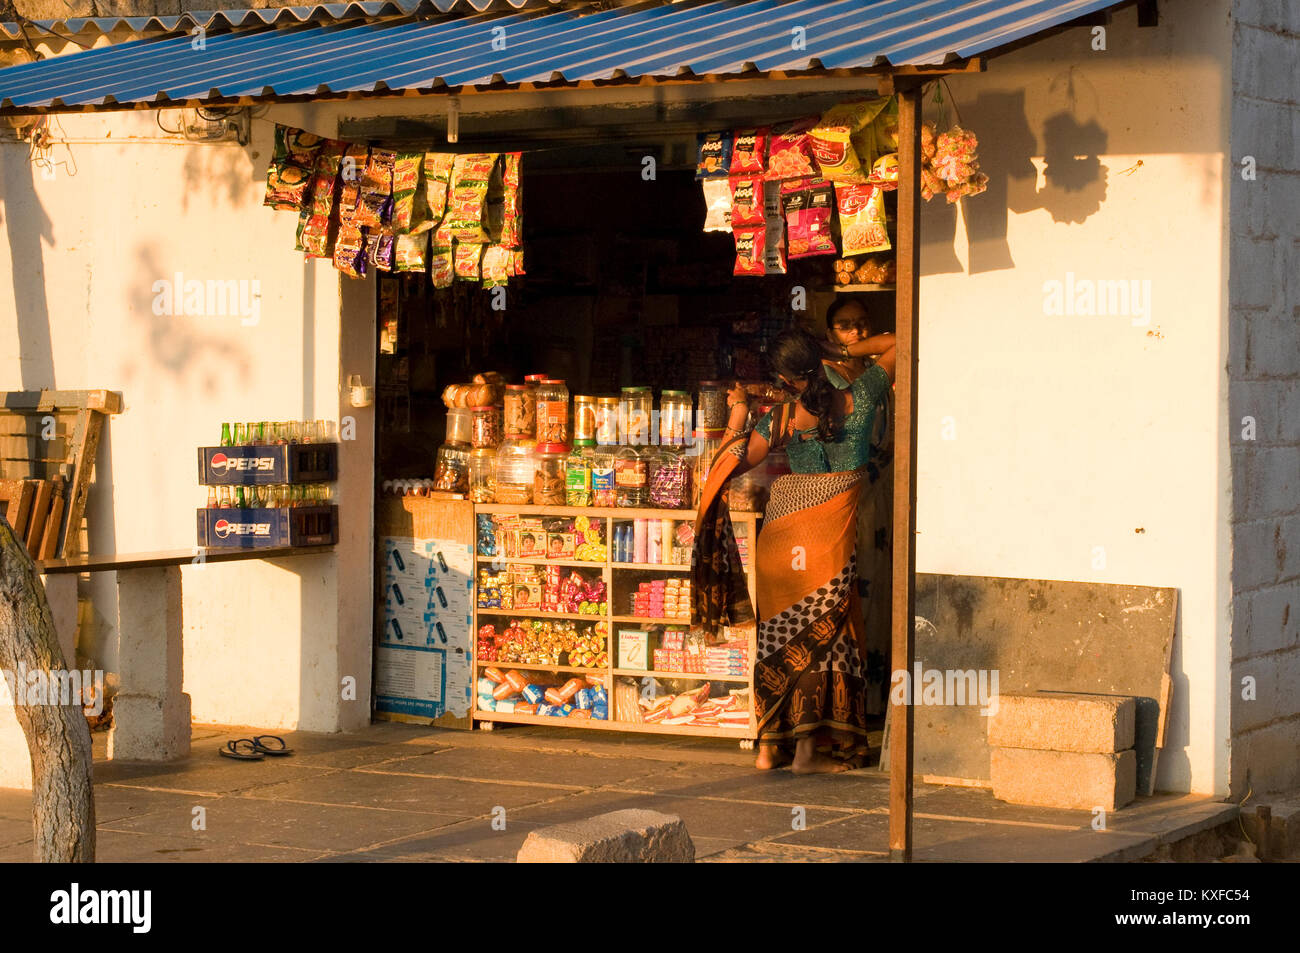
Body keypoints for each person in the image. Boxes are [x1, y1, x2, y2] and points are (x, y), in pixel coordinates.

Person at [693, 326, 897, 773]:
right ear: (822, 360)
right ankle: (805, 753)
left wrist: (739, 410)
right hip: (826, 543)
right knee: (827, 641)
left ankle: (768, 748)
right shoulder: (861, 397)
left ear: (786, 381)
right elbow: (898, 341)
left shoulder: (782, 418)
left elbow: (730, 461)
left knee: (778, 639)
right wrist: (843, 349)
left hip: (779, 537)